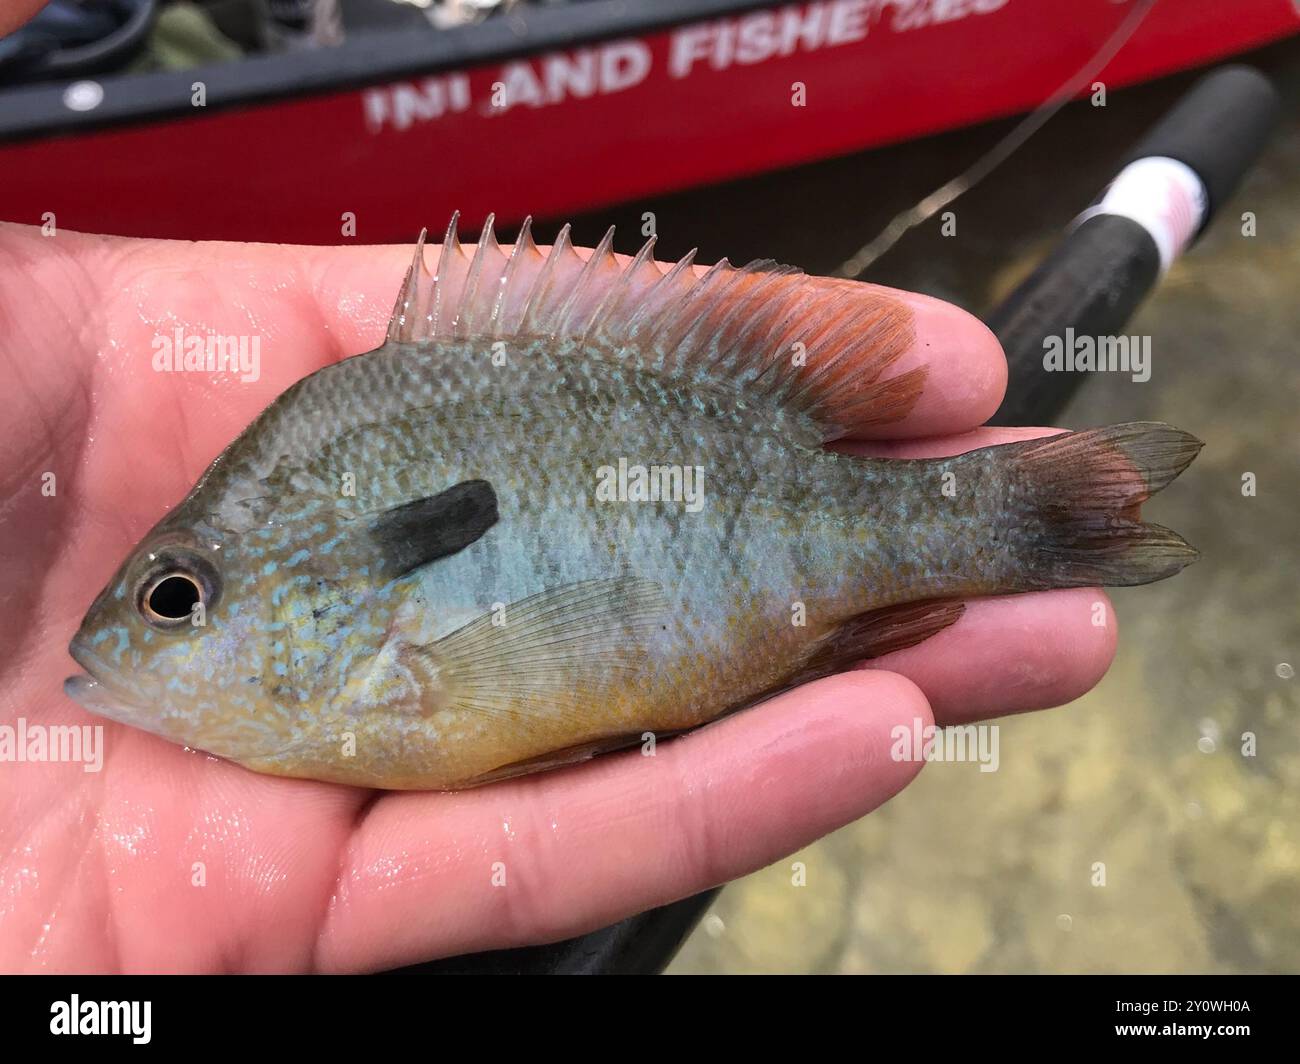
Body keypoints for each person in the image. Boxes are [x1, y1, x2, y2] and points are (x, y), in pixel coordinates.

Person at [0, 222, 1116, 971]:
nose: (144, 638)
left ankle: (1028, 516)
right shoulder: (356, 648)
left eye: (180, 595)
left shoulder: (378, 679)